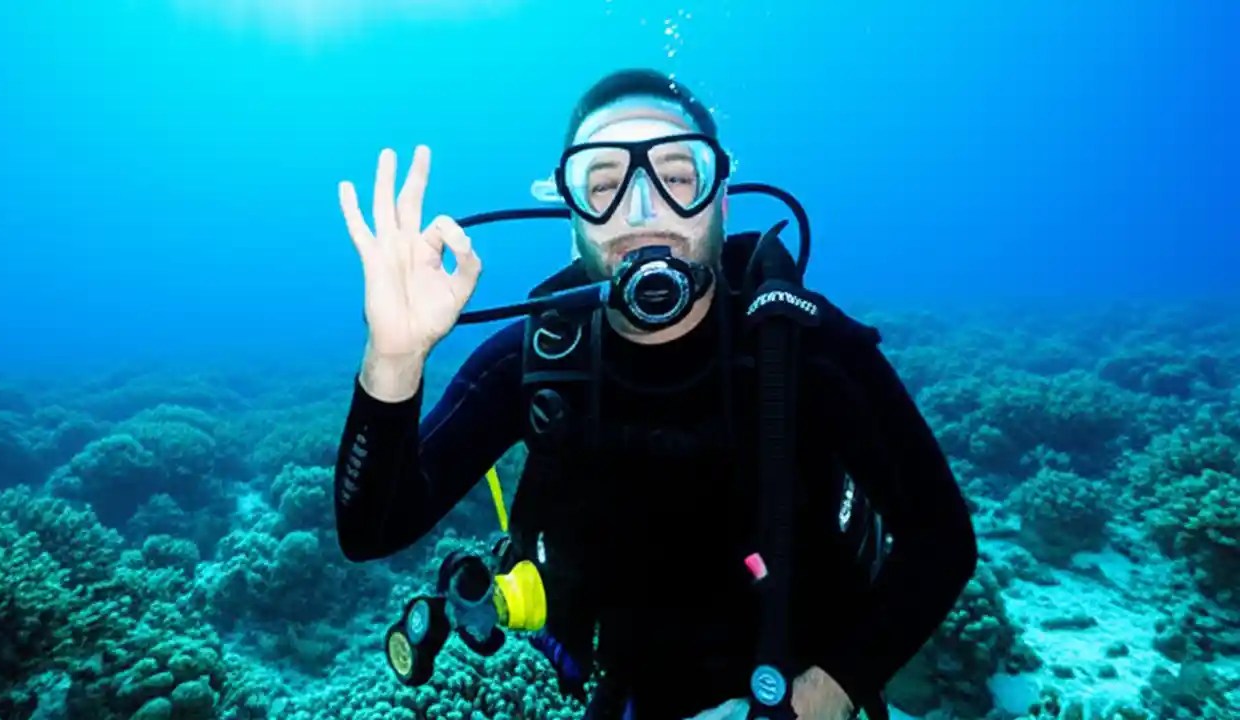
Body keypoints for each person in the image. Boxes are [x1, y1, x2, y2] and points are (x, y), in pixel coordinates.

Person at [333, 68, 977, 720]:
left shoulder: (803, 348)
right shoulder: (535, 363)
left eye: (676, 176)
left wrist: (830, 689)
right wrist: (393, 360)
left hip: (805, 679)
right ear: (573, 216)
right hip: (633, 690)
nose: (642, 213)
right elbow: (371, 530)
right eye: (605, 184)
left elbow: (943, 539)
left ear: (720, 202)